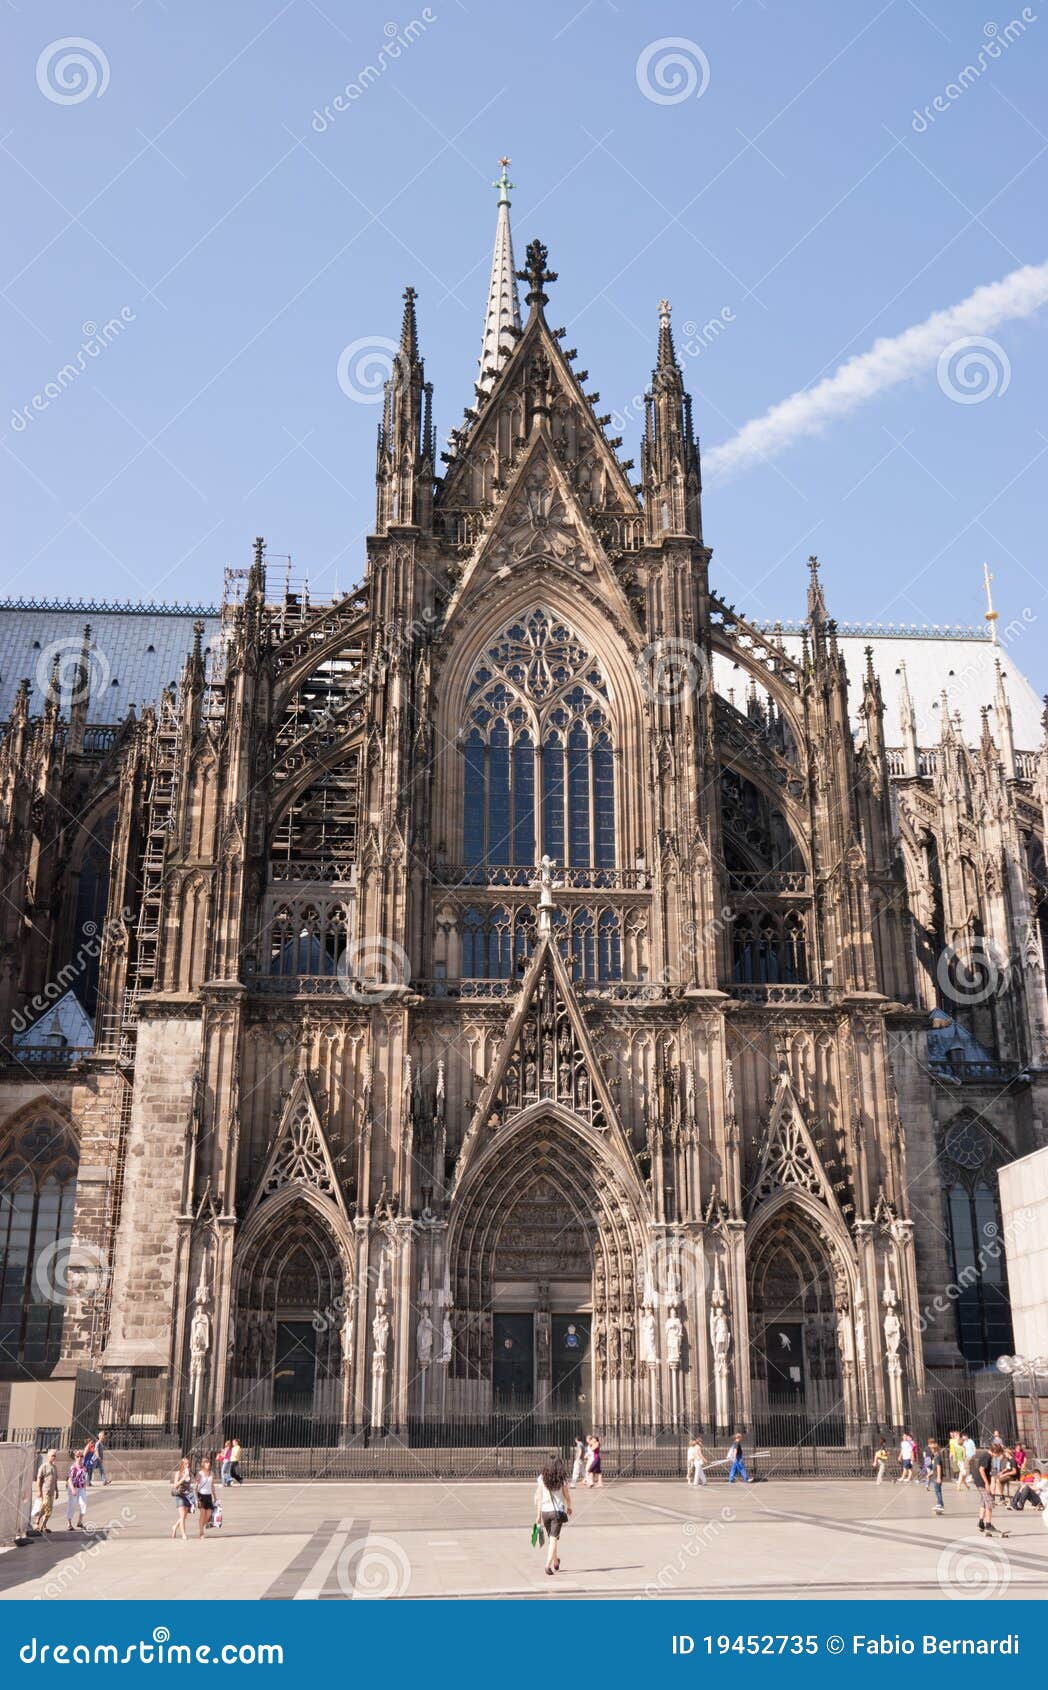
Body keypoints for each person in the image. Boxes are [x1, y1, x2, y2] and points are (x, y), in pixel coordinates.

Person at [534, 1454, 573, 1575]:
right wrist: (569, 1507)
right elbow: (567, 1496)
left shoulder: (542, 1478)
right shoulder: (562, 1479)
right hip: (557, 1512)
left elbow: (539, 1497)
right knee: (553, 1539)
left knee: (552, 1538)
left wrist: (538, 1515)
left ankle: (555, 1562)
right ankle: (547, 1565)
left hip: (545, 1512)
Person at [972, 1442, 1000, 1535]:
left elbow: (991, 1471)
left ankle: (981, 1523)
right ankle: (988, 1524)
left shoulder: (988, 1456)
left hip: (979, 1481)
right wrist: (987, 1484)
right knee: (989, 1501)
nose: (998, 1456)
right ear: (995, 1451)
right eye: (998, 1453)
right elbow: (981, 1470)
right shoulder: (987, 1456)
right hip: (982, 1482)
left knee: (984, 1502)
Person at [34, 1448, 59, 1534]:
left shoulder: (54, 1467)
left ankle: (43, 1526)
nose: (54, 1457)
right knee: (44, 1506)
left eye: (55, 1456)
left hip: (52, 1492)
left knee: (49, 1510)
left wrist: (57, 1491)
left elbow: (55, 1480)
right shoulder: (43, 1466)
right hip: (45, 1491)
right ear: (48, 1456)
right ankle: (37, 1521)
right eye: (52, 1456)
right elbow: (39, 1479)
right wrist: (39, 1491)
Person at [170, 1458, 193, 1541]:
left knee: (184, 1516)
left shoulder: (189, 1473)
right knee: (182, 1516)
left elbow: (189, 1485)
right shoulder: (178, 1473)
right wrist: (183, 1478)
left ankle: (175, 1526)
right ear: (182, 1465)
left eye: (188, 1464)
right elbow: (175, 1485)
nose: (187, 1465)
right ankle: (183, 1534)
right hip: (179, 1496)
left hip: (187, 1496)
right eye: (186, 1464)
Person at [66, 1449, 88, 1531]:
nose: (79, 1458)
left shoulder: (84, 1467)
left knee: (83, 1504)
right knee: (72, 1505)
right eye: (77, 1456)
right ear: (75, 1457)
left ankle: (79, 1522)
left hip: (81, 1488)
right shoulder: (73, 1467)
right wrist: (72, 1489)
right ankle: (69, 1523)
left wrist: (84, 1488)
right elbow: (69, 1479)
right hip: (73, 1487)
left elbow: (84, 1479)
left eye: (81, 1456)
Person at [195, 1456, 215, 1539]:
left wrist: (215, 1497)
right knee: (202, 1514)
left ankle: (201, 1527)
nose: (208, 1464)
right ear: (203, 1464)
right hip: (201, 1495)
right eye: (206, 1462)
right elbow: (196, 1487)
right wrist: (197, 1498)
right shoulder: (200, 1474)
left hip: (209, 1495)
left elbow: (212, 1485)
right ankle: (201, 1532)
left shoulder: (211, 1473)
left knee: (208, 1515)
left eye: (209, 1462)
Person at [928, 1439, 946, 1515]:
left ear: (934, 1449)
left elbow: (938, 1467)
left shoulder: (937, 1456)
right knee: (937, 1491)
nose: (931, 1450)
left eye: (931, 1449)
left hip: (937, 1477)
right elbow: (935, 1468)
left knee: (938, 1491)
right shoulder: (935, 1456)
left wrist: (938, 1477)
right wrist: (930, 1473)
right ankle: (940, 1505)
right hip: (935, 1476)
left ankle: (940, 1504)